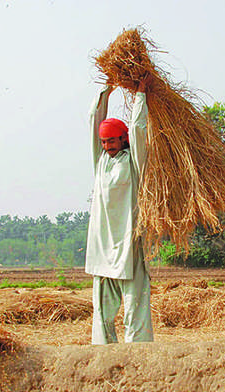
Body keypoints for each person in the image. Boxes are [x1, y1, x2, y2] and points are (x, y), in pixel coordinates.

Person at [85, 75, 154, 344]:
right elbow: (94, 120)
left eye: (112, 141)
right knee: (102, 309)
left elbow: (139, 129)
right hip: (102, 244)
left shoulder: (134, 163)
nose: (107, 146)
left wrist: (140, 95)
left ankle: (137, 352)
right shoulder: (101, 161)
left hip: (129, 242)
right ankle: (103, 352)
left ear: (123, 139)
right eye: (104, 142)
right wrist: (106, 89)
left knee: (135, 302)